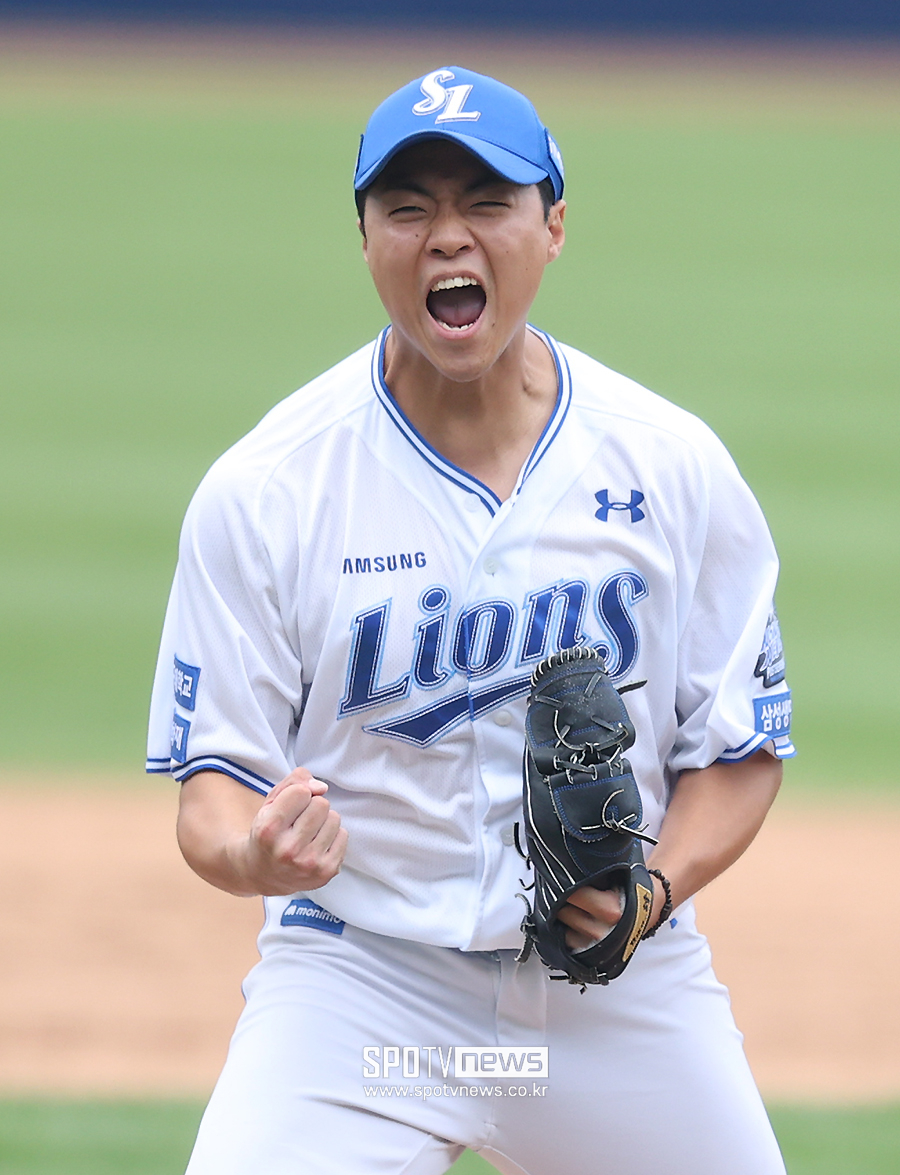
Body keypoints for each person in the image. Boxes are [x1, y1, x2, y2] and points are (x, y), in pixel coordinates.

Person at [147, 66, 794, 1175]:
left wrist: (652, 892)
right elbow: (210, 791)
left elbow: (740, 747)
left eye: (485, 203)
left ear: (551, 227)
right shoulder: (270, 487)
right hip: (364, 993)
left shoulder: (670, 464)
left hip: (615, 995)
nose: (447, 236)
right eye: (409, 208)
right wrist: (255, 852)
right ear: (365, 240)